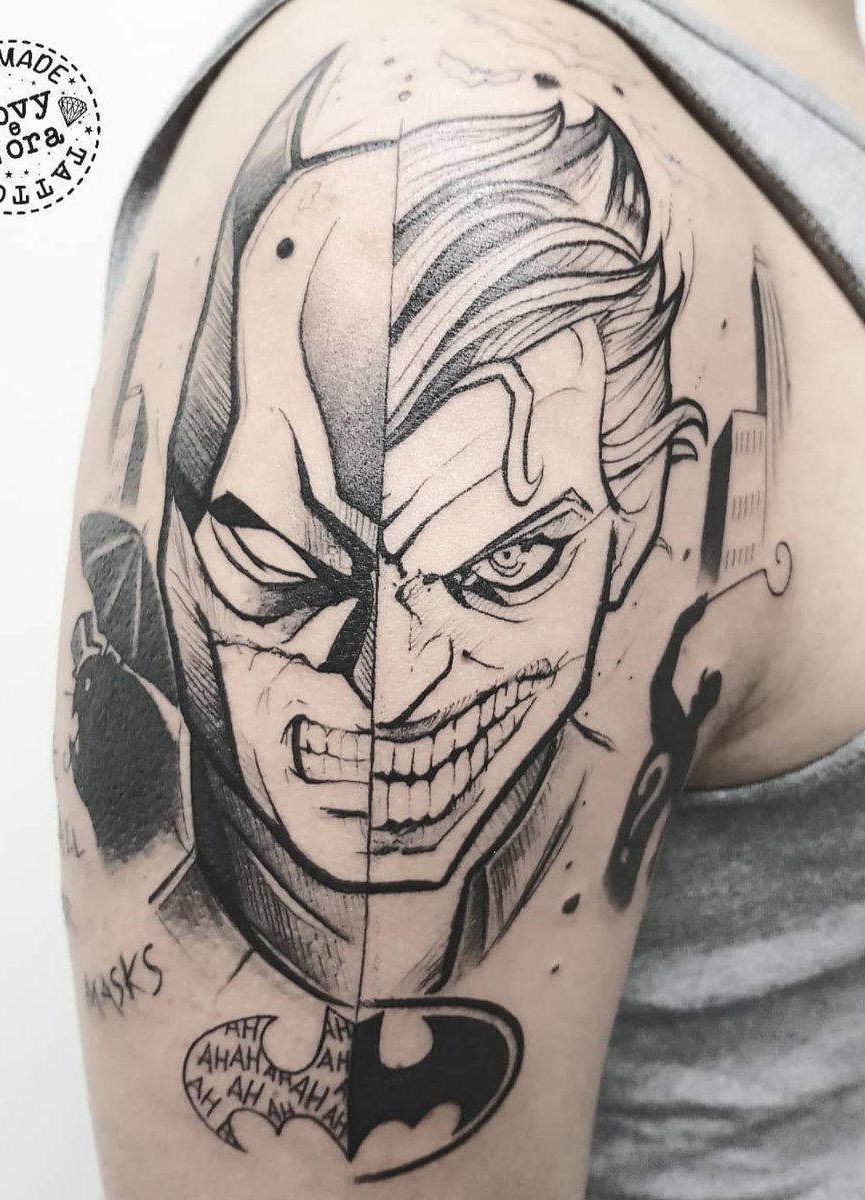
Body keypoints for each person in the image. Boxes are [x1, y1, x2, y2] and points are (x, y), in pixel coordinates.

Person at [54, 1, 865, 1196]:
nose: (390, 678)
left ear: (658, 511)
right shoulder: (449, 118)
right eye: (282, 560)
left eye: (507, 565)